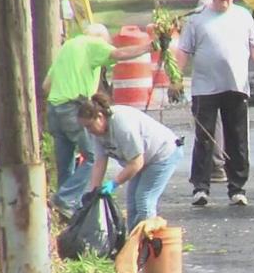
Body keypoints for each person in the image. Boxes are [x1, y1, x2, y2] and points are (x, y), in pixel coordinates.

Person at [175, 0, 254, 207]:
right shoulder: (198, 20)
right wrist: (175, 77)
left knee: (237, 138)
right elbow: (183, 51)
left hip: (236, 86)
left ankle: (237, 188)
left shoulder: (242, 16)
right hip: (205, 87)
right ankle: (201, 187)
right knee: (205, 138)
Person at [43, 23, 154, 218]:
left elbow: (46, 86)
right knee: (92, 156)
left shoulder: (67, 48)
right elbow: (119, 54)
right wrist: (148, 47)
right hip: (74, 108)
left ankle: (66, 210)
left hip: (54, 108)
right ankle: (64, 199)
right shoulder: (93, 43)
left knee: (66, 159)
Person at [78, 92, 184, 230]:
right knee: (132, 205)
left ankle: (148, 245)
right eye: (85, 127)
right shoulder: (98, 133)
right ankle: (133, 245)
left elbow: (136, 162)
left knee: (144, 201)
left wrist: (113, 183)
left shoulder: (122, 125)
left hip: (163, 154)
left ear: (100, 116)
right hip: (142, 160)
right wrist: (93, 193)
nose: (89, 131)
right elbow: (100, 162)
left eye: (90, 126)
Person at [185, 0, 227, 183]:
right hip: (218, 72)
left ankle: (216, 165)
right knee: (216, 119)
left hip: (209, 76)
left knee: (209, 120)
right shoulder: (206, 0)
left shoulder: (204, 3)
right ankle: (216, 164)